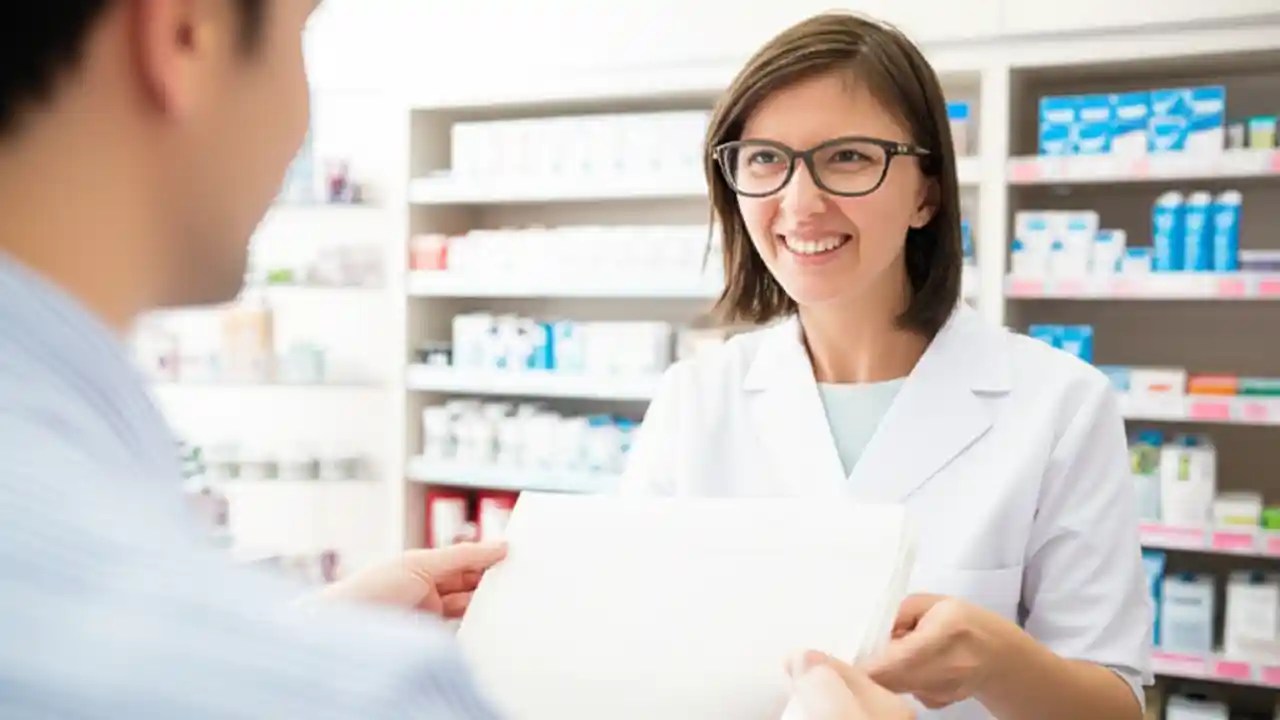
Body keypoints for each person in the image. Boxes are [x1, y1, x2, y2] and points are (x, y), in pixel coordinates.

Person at [0, 2, 901, 717]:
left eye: (848, 159)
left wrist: (311, 631)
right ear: (185, 35)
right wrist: (314, 665)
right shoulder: (361, 693)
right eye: (304, 29)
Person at [621, 11, 1151, 720]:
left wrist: (996, 660)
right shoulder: (695, 400)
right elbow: (632, 646)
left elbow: (1114, 708)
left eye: (847, 157)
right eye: (764, 159)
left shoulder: (1059, 405)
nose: (800, 203)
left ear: (927, 192)